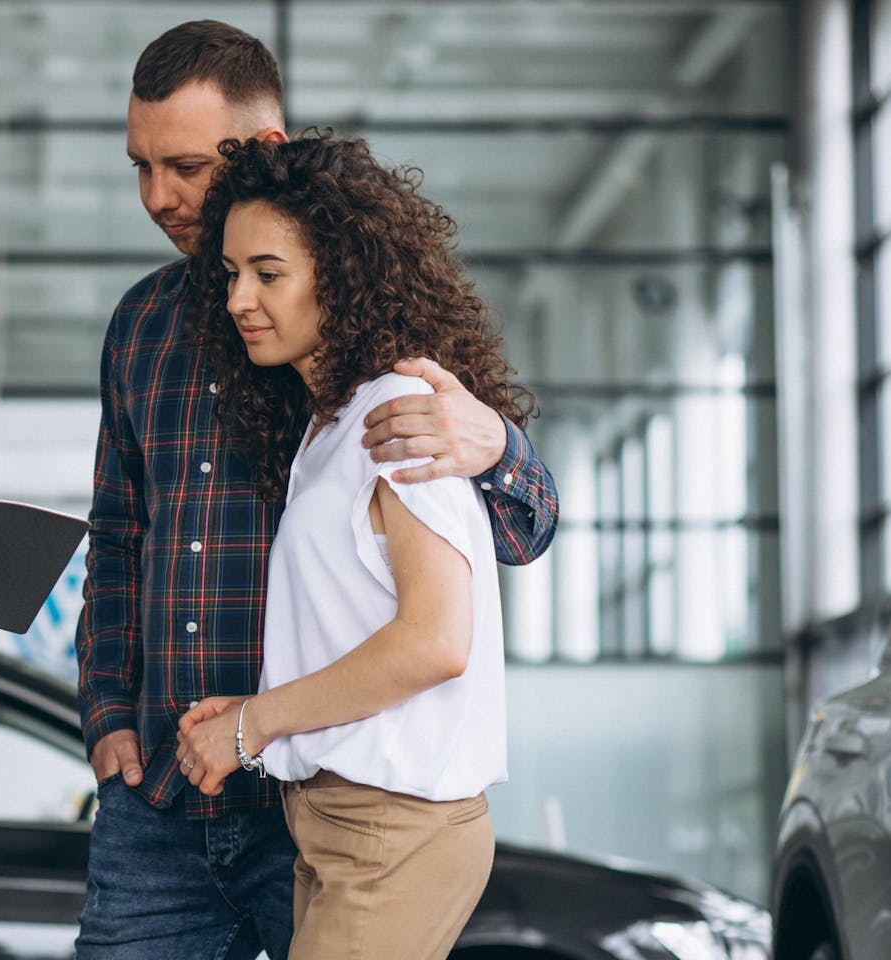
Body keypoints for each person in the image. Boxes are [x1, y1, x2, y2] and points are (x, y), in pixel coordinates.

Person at [74, 20, 559, 960]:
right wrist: (105, 713)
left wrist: (498, 445)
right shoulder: (139, 327)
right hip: (163, 797)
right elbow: (117, 530)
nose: (157, 196)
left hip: (306, 791)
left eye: (183, 165)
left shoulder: (376, 350)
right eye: (139, 166)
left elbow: (510, 541)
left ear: (263, 151)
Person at [173, 133, 527, 960]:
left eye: (269, 273)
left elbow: (437, 642)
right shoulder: (327, 424)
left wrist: (254, 725)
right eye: (231, 275)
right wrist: (265, 706)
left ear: (341, 273)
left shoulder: (401, 409)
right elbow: (353, 612)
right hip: (339, 823)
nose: (239, 301)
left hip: (393, 833)